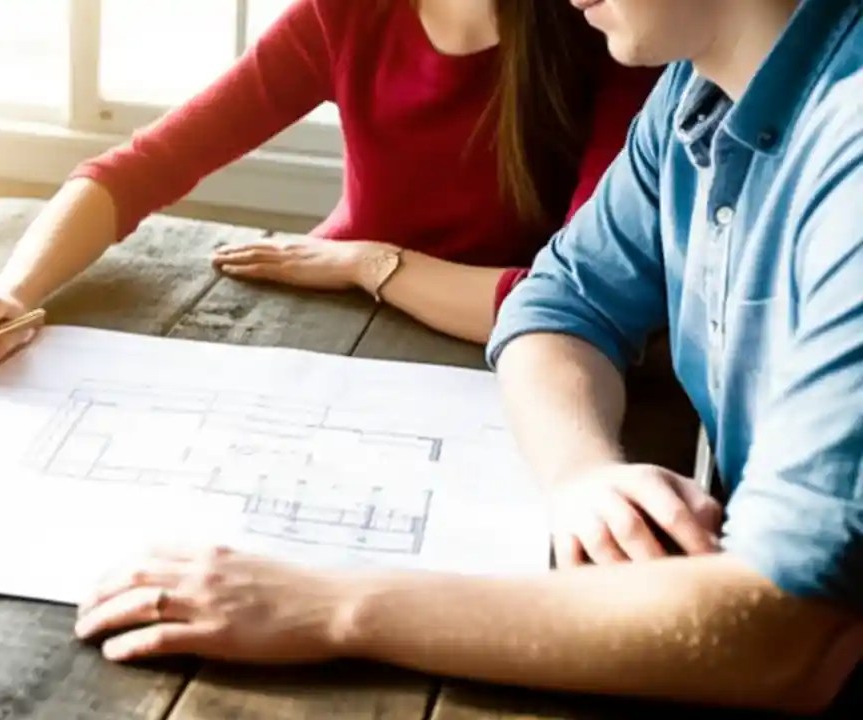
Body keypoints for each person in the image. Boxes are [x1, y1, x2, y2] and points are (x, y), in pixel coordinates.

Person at [71, 0, 863, 713]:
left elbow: (784, 632)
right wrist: (581, 473)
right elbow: (560, 300)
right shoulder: (692, 87)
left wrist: (333, 608)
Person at [0, 0, 658, 370]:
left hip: (503, 350)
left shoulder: (611, 31)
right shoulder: (347, 12)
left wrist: (368, 262)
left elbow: (571, 301)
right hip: (324, 323)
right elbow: (143, 165)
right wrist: (13, 292)